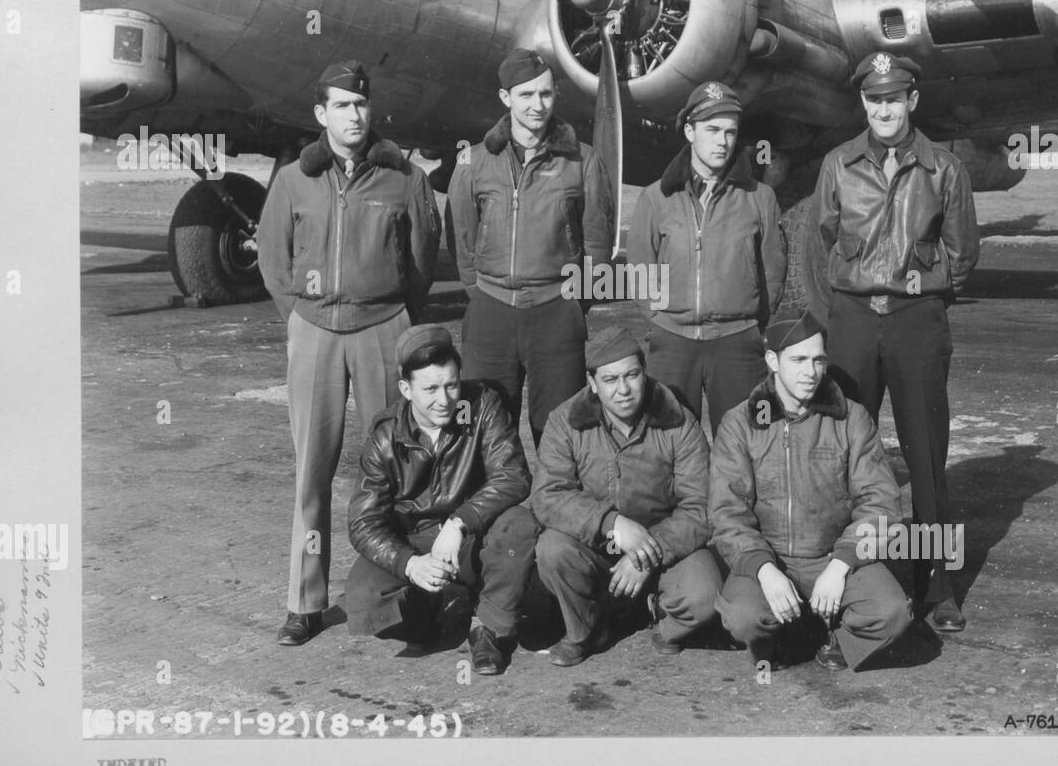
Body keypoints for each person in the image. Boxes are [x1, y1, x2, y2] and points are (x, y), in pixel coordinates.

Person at [258, 60, 440, 647]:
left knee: (398, 466)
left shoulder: (401, 177)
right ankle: (305, 603)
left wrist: (395, 315)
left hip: (383, 327)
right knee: (313, 471)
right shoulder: (293, 180)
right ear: (322, 115)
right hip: (314, 332)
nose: (353, 115)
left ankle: (405, 591)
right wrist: (296, 318)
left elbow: (423, 257)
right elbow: (272, 255)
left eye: (360, 105)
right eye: (340, 105)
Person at [811, 52, 979, 631]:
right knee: (841, 449)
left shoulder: (943, 168)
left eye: (894, 98)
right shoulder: (838, 164)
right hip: (853, 318)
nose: (883, 109)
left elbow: (962, 256)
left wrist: (921, 299)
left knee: (925, 453)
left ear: (912, 100)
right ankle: (841, 572)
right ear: (864, 103)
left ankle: (936, 584)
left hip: (915, 320)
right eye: (873, 99)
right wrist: (841, 312)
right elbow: (819, 246)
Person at [710, 311, 913, 671]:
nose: (810, 372)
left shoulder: (852, 419)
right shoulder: (740, 422)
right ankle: (786, 632)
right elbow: (727, 514)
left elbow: (880, 503)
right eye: (798, 360)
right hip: (770, 556)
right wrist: (763, 569)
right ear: (773, 361)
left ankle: (837, 639)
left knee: (892, 614)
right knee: (743, 618)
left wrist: (841, 563)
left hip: (831, 553)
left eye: (819, 360)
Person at [343, 326, 537, 675]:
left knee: (519, 527)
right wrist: (409, 564)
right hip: (413, 538)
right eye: (430, 389)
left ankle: (488, 627)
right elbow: (363, 522)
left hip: (471, 535)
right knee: (362, 600)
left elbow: (513, 475)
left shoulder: (481, 405)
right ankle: (424, 614)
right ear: (406, 389)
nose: (445, 399)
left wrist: (460, 521)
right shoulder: (385, 434)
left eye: (451, 384)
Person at [447, 48, 615, 449]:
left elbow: (596, 241)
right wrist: (482, 292)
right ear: (506, 99)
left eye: (545, 94)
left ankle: (557, 508)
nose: (537, 105)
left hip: (556, 311)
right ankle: (491, 512)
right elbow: (463, 238)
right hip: (490, 312)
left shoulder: (583, 161)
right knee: (484, 430)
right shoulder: (472, 162)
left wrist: (574, 302)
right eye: (525, 95)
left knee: (561, 431)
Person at [531, 327, 720, 666]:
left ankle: (662, 620)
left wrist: (647, 553)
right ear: (592, 383)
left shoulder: (677, 420)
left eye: (632, 375)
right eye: (610, 380)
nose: (623, 390)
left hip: (664, 546)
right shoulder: (565, 421)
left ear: (644, 373)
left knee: (705, 593)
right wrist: (611, 523)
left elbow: (702, 506)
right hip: (597, 544)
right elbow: (547, 496)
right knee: (552, 550)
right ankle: (585, 629)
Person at [626, 81, 786, 437]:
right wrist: (660, 320)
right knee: (668, 444)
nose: (722, 141)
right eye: (712, 130)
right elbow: (639, 270)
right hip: (672, 342)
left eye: (730, 132)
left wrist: (751, 327)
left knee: (746, 443)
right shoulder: (656, 198)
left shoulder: (760, 197)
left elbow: (772, 271)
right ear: (689, 131)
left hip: (737, 342)